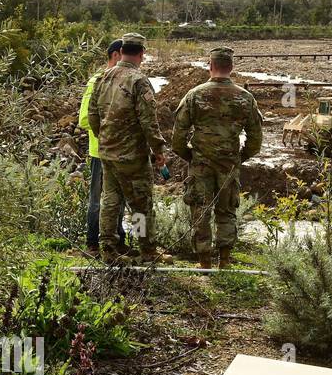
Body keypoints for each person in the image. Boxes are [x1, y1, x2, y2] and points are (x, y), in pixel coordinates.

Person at [170, 47, 262, 269]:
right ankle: (225, 260)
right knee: (227, 210)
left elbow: (177, 137)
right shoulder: (245, 98)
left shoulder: (194, 95)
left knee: (200, 209)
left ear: (210, 66)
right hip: (229, 164)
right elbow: (255, 138)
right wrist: (239, 157)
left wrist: (190, 156)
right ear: (231, 68)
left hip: (200, 163)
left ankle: (204, 262)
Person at [88, 32, 167, 263]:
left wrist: (104, 137)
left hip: (107, 152)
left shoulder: (103, 77)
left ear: (121, 51)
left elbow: (93, 114)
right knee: (140, 206)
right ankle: (147, 252)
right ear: (142, 54)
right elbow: (149, 122)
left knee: (110, 201)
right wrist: (158, 151)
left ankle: (108, 250)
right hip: (132, 156)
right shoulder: (138, 81)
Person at [78, 40, 126, 253]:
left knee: (120, 200)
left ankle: (117, 241)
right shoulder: (96, 81)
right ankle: (92, 243)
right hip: (100, 152)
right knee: (97, 200)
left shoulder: (125, 82)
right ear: (116, 55)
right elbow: (84, 119)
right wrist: (111, 129)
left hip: (122, 154)